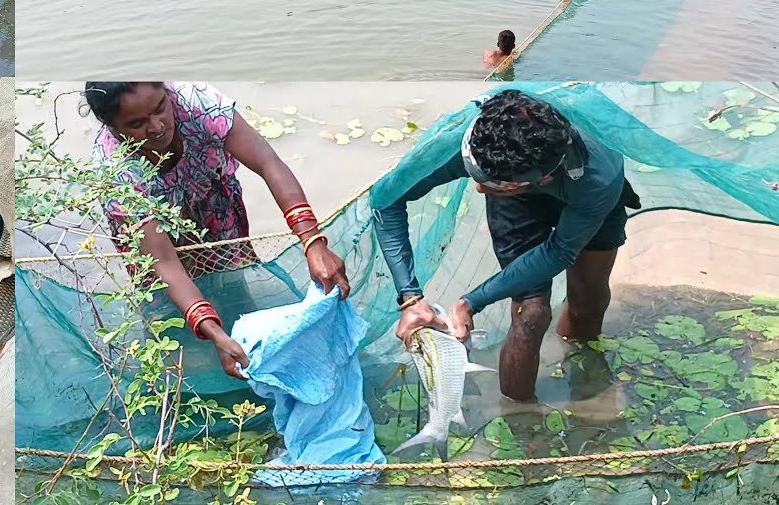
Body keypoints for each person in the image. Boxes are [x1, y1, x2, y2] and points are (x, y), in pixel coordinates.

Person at [374, 90, 641, 402]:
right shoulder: (472, 143)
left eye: (489, 184)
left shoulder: (600, 177)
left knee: (589, 304)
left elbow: (559, 251)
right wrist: (410, 298)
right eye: (475, 173)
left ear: (540, 180)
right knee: (532, 312)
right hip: (516, 197)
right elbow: (387, 199)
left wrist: (470, 301)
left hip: (586, 197)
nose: (477, 187)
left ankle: (584, 373)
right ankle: (519, 414)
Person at [86, 82, 351, 380]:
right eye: (136, 124)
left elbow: (267, 162)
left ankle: (251, 365)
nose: (157, 126)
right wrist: (212, 331)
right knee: (164, 317)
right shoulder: (115, 171)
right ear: (111, 126)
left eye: (160, 108)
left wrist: (313, 241)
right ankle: (176, 391)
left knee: (231, 285)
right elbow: (164, 263)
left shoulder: (197, 102)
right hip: (151, 234)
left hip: (213, 203)